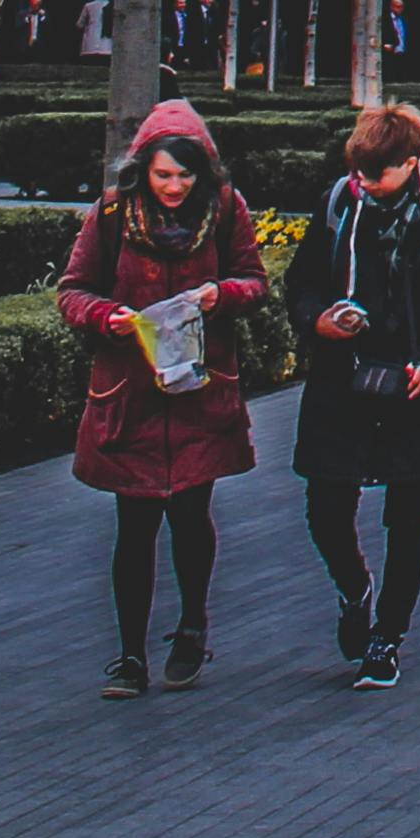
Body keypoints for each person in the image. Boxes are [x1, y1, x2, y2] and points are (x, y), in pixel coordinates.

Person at [280, 102, 420, 692]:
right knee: (326, 507)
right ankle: (355, 589)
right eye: (359, 175)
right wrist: (319, 319)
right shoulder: (340, 204)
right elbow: (300, 283)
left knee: (409, 514)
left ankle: (388, 637)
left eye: (378, 175)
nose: (367, 186)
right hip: (342, 376)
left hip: (415, 379)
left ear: (410, 163)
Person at [58, 100, 266, 696]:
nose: (175, 187)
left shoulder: (225, 211)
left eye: (185, 175)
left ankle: (192, 629)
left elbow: (255, 282)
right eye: (163, 175)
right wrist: (106, 316)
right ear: (143, 170)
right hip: (133, 393)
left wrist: (218, 296)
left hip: (199, 391)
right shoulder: (113, 214)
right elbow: (73, 290)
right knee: (135, 522)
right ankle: (129, 655)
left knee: (191, 516)